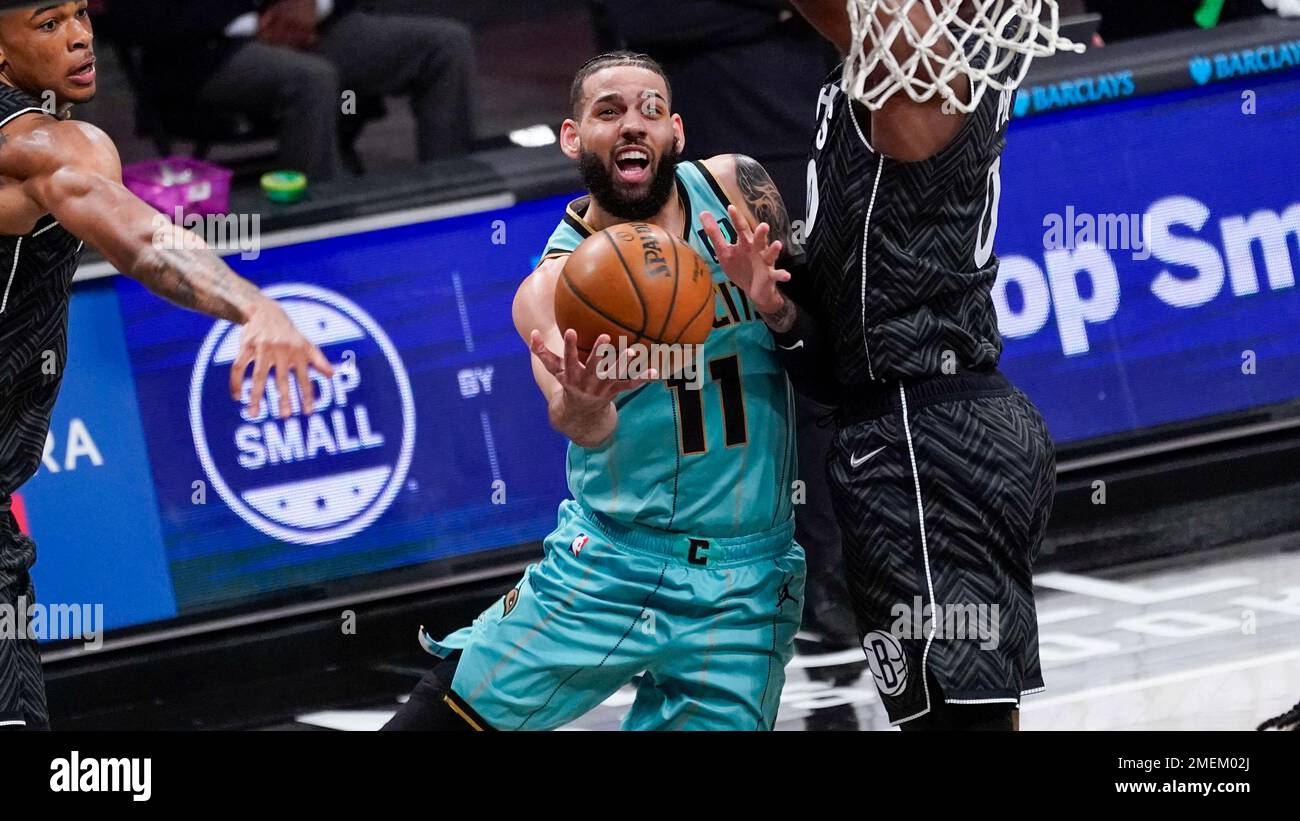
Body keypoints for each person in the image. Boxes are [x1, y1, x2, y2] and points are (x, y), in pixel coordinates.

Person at [382, 51, 805, 731]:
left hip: (746, 580)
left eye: (650, 109)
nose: (632, 123)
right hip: (612, 563)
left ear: (675, 131)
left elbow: (819, 338)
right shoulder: (551, 288)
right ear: (573, 137)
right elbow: (580, 424)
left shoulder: (736, 191)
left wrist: (776, 307)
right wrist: (586, 400)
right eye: (609, 111)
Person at [703, 0, 1058, 730]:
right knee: (956, 715)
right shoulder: (864, 86)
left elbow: (862, 18)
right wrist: (776, 307)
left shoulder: (928, 71)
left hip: (931, 440)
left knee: (964, 722)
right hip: (905, 433)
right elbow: (832, 352)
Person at [0, 0, 331, 730]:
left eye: (80, 13)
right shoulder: (46, 146)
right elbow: (142, 239)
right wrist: (252, 305)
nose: (79, 36)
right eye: (49, 24)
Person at [111, 0, 475, 179]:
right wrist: (255, 20)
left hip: (316, 27)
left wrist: (312, 4)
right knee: (311, 79)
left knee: (445, 43)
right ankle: (323, 222)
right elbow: (130, 17)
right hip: (206, 49)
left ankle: (455, 190)